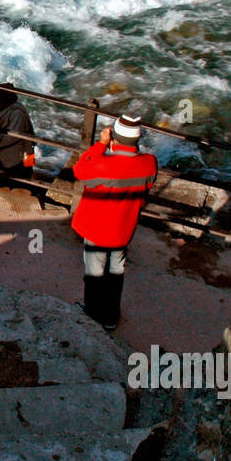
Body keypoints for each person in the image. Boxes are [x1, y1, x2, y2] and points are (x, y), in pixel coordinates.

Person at [70, 114, 157, 331]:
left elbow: (79, 170)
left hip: (97, 230)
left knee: (94, 274)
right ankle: (110, 317)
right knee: (116, 274)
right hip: (123, 231)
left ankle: (91, 315)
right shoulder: (149, 164)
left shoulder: (102, 165)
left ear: (114, 139)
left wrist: (100, 144)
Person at [0, 86, 35, 182]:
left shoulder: (17, 114)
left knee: (18, 178)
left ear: (5, 101)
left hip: (16, 150)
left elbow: (12, 136)